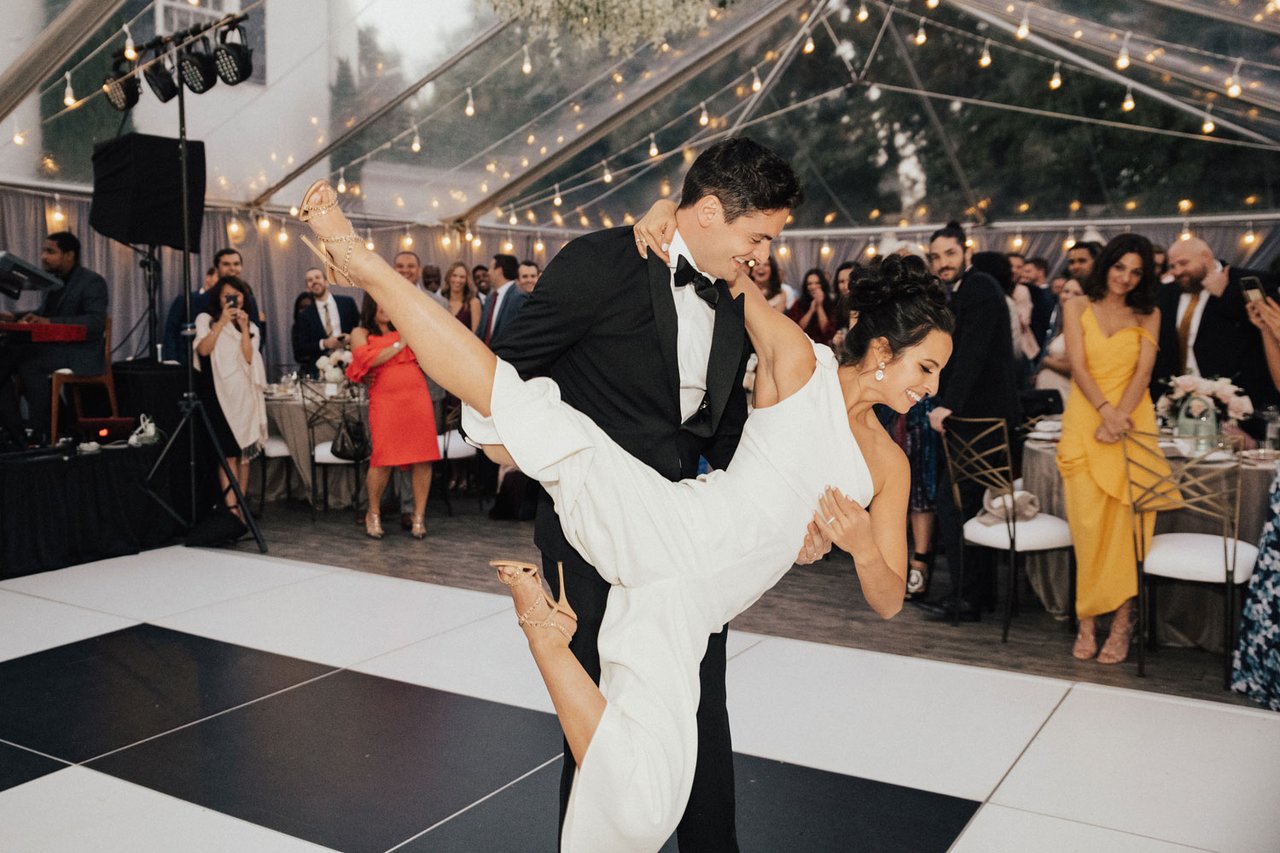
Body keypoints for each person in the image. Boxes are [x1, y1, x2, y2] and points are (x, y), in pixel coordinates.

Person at [296, 175, 952, 851]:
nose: (931, 390)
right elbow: (718, 264)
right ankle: (362, 261)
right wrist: (667, 211)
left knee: (646, 805)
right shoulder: (796, 359)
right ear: (882, 352)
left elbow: (888, 598)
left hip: (687, 609)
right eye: (926, 369)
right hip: (669, 523)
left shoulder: (889, 463)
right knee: (510, 395)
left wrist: (862, 544)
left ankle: (548, 642)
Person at [1057, 234, 1166, 664]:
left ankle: (1123, 621)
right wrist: (1104, 412)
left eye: (1136, 271)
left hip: (1134, 422)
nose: (1126, 278)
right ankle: (1087, 621)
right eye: (1121, 267)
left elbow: (1144, 370)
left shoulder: (1149, 312)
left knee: (1127, 529)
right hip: (1085, 420)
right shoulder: (1076, 305)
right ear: (1107, 265)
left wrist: (1120, 417)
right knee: (1086, 528)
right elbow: (1078, 366)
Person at [917, 223, 1021, 623]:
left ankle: (966, 598)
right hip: (978, 417)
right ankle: (979, 595)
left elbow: (972, 354)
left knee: (954, 503)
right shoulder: (963, 291)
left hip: (981, 419)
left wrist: (948, 406)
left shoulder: (978, 288)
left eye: (949, 254)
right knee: (971, 506)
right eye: (936, 257)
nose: (943, 263)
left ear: (966, 251)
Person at [1153, 238, 1280, 428]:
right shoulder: (1165, 293)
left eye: (1183, 263)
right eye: (1172, 266)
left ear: (1206, 257)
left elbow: (1267, 326)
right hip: (1180, 407)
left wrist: (1226, 293)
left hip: (1239, 408)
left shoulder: (1247, 280)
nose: (1177, 271)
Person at [345, 293, 440, 539]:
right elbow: (366, 359)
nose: (387, 307)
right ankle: (373, 513)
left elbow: (430, 352)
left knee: (423, 457)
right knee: (383, 458)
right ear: (370, 305)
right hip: (386, 400)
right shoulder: (361, 332)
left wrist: (407, 339)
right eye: (381, 302)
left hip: (416, 397)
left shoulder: (407, 327)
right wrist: (400, 344)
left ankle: (419, 516)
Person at [0, 231, 108, 446]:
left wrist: (48, 322)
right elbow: (43, 314)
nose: (43, 256)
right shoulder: (53, 284)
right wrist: (14, 317)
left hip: (80, 352)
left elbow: (95, 323)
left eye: (50, 251)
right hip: (54, 348)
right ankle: (16, 431)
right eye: (43, 251)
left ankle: (42, 432)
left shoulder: (92, 282)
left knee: (30, 364)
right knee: (5, 356)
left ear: (69, 255)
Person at [193, 276, 267, 522]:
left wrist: (244, 328)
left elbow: (249, 358)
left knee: (244, 453)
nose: (232, 299)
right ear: (219, 298)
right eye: (227, 295)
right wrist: (223, 321)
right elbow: (203, 349)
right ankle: (232, 510)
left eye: (237, 294)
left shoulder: (252, 326)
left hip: (244, 394)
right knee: (228, 454)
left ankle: (242, 505)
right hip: (219, 392)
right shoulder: (206, 319)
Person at [291, 267, 359, 376]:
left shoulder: (347, 303)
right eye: (310, 280)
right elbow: (301, 348)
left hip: (350, 364)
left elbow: (360, 328)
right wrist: (324, 343)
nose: (314, 281)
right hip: (321, 369)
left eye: (317, 277)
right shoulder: (304, 315)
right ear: (308, 287)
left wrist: (351, 338)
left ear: (326, 282)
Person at [1034, 278, 1085, 398]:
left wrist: (1046, 362)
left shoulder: (1083, 327)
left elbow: (1074, 367)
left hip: (1065, 395)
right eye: (1065, 291)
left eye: (1076, 293)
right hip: (1048, 396)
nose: (1068, 296)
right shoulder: (1059, 322)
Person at [475, 254, 527, 346]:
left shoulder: (519, 298)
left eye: (490, 268)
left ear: (499, 270)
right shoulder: (490, 299)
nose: (488, 273)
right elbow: (481, 332)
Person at [786, 267, 837, 343]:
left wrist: (819, 306)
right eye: (809, 284)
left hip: (824, 347)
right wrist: (811, 310)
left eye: (817, 283)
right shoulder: (798, 304)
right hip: (803, 345)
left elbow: (828, 332)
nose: (813, 287)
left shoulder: (831, 304)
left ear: (823, 285)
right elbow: (796, 330)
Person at [443, 261, 481, 333]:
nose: (458, 280)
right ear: (448, 277)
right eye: (454, 275)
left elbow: (476, 336)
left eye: (462, 277)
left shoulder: (474, 303)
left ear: (467, 280)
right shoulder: (441, 301)